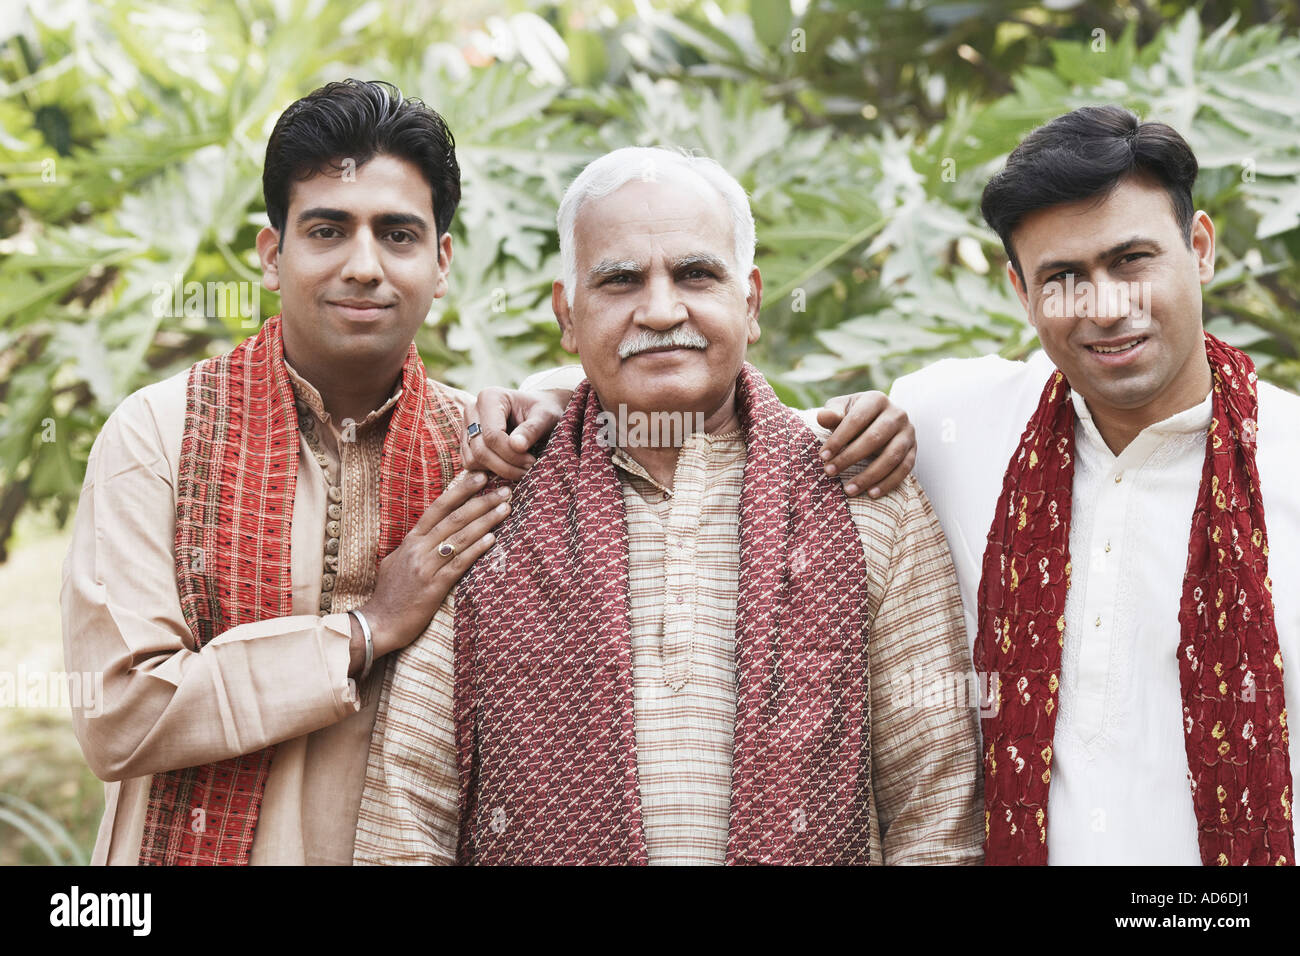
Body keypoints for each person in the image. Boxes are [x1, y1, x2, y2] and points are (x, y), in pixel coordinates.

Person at [61, 79, 918, 866]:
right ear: (271, 253)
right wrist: (365, 630)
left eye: (397, 235)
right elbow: (118, 713)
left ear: (440, 264)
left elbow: (641, 382)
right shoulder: (160, 436)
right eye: (327, 230)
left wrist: (817, 427)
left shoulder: (483, 443)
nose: (364, 264)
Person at [354, 147, 983, 865]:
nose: (660, 309)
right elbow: (408, 807)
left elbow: (936, 808)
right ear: (568, 313)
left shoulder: (866, 493)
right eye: (620, 280)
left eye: (695, 274)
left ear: (748, 303)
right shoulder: (492, 500)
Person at [889, 105, 1299, 865]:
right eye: (1064, 277)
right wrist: (853, 423)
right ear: (1020, 290)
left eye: (1133, 259)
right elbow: (755, 447)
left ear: (1200, 248)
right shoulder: (944, 425)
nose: (1105, 307)